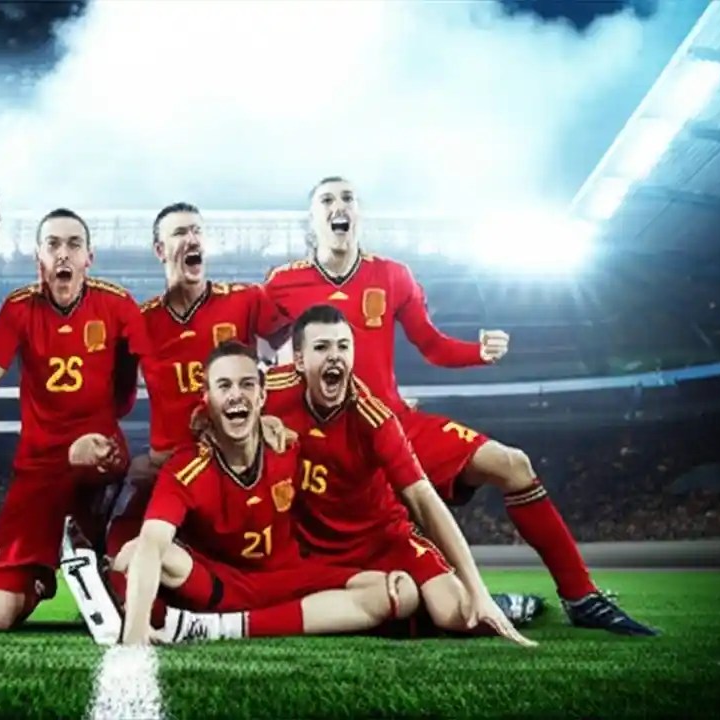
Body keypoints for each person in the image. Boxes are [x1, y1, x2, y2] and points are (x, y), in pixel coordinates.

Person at [263, 176, 654, 636]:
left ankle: (580, 595)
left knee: (513, 464)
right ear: (312, 221)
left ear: (357, 213)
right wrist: (272, 406)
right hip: (325, 437)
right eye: (326, 200)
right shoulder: (283, 283)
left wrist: (476, 351)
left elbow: (430, 344)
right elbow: (261, 352)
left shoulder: (392, 276)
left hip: (394, 424)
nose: (338, 206)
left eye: (347, 198)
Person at [115, 341, 417, 645]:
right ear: (207, 400)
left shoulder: (291, 448)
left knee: (400, 593)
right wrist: (134, 637)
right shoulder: (187, 467)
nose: (236, 394)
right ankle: (145, 615)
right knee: (134, 553)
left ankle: (212, 627)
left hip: (290, 578)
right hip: (220, 584)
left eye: (247, 384)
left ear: (262, 396)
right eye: (224, 385)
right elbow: (153, 542)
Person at [266, 304, 534, 645]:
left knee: (456, 615)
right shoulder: (267, 391)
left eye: (343, 347)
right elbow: (213, 408)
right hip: (305, 547)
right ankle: (402, 611)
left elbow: (423, 498)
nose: (335, 357)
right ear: (299, 360)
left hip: (381, 540)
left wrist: (477, 590)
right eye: (322, 347)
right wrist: (254, 424)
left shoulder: (375, 418)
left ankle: (503, 605)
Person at [0, 208, 147, 638]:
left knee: (84, 447)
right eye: (53, 245)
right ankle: (49, 571)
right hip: (37, 468)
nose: (63, 254)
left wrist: (160, 449)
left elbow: (155, 373)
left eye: (73, 245)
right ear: (39, 259)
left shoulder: (117, 304)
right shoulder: (18, 309)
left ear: (90, 257)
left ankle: (100, 543)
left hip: (100, 453)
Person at [106, 202, 287, 586]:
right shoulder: (140, 322)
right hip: (167, 472)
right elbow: (115, 399)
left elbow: (291, 352)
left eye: (197, 231)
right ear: (160, 250)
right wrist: (129, 458)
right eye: (180, 233)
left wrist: (273, 413)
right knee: (122, 561)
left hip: (232, 472)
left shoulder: (246, 301)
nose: (192, 239)